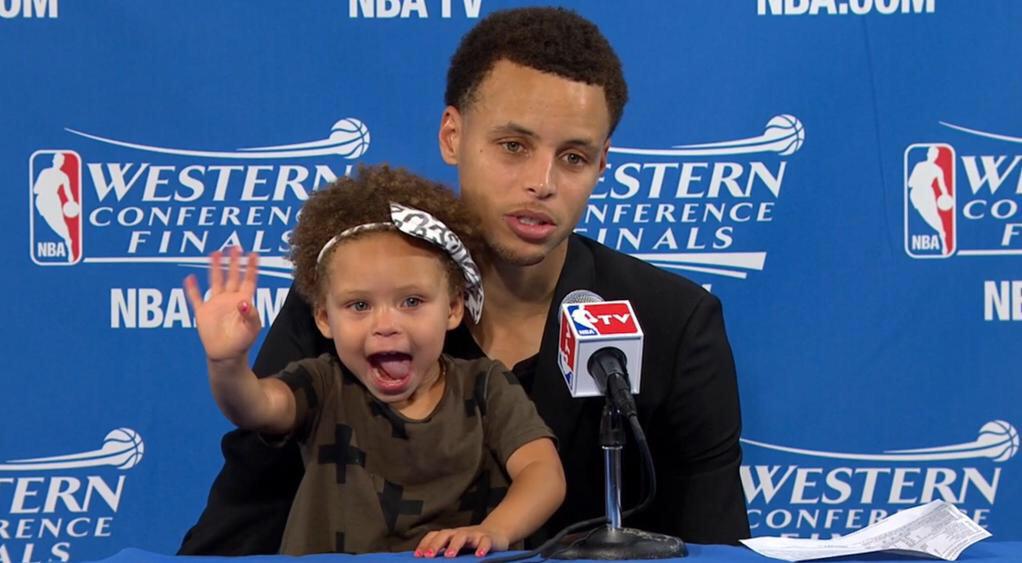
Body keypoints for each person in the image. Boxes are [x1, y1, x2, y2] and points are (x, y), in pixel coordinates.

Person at [179, 6, 749, 555]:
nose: (541, 183)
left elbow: (716, 542)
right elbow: (245, 514)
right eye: (513, 146)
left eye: (573, 157)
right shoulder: (347, 300)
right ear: (452, 135)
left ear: (602, 166)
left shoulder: (673, 323)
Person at [183, 166, 564, 556]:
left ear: (453, 308)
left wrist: (495, 531)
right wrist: (227, 363)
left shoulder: (486, 387)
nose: (386, 325)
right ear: (324, 319)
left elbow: (543, 473)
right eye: (359, 305)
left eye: (411, 301)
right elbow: (256, 407)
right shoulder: (323, 385)